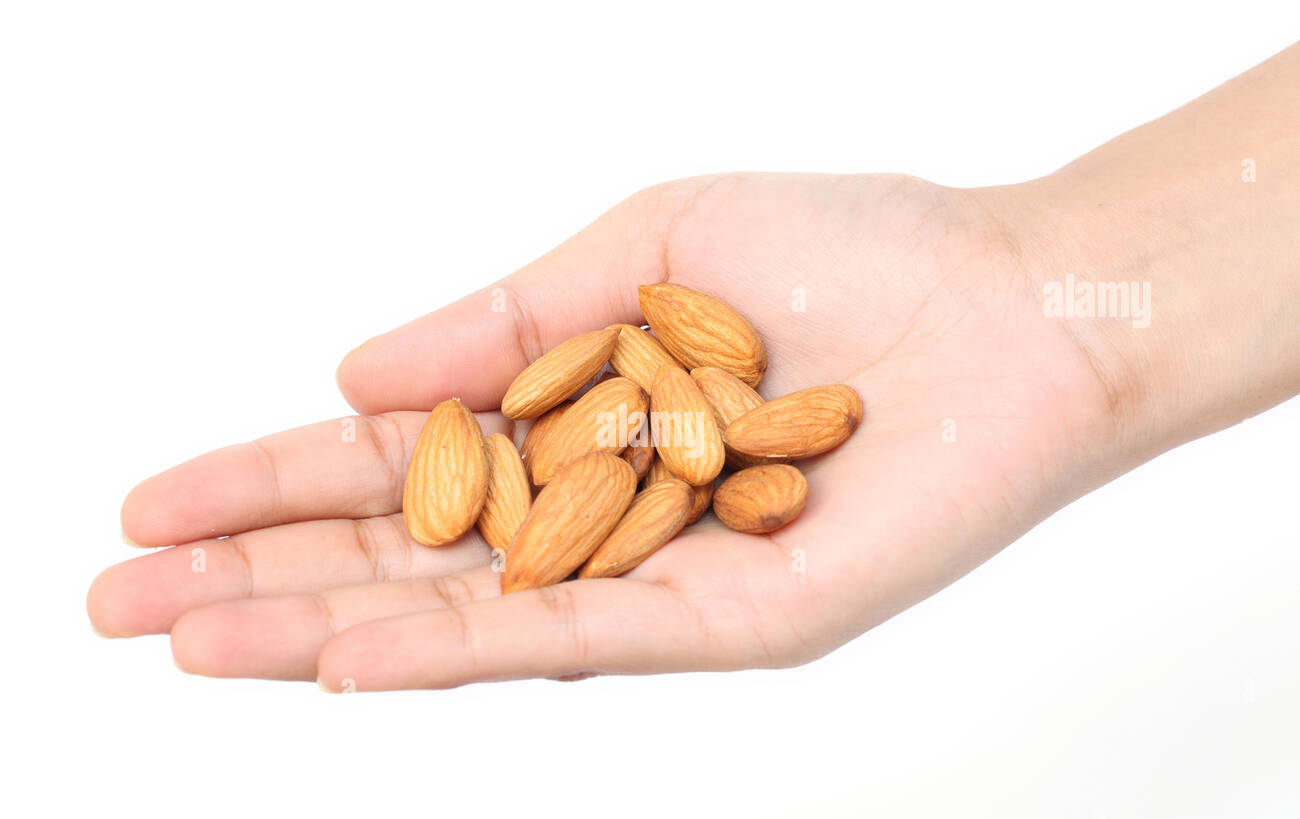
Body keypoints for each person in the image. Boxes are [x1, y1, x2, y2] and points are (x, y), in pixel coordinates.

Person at [86, 44, 1300, 692]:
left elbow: (694, 452)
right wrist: (1058, 292)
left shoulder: (673, 406)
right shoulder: (632, 413)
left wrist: (1042, 292)